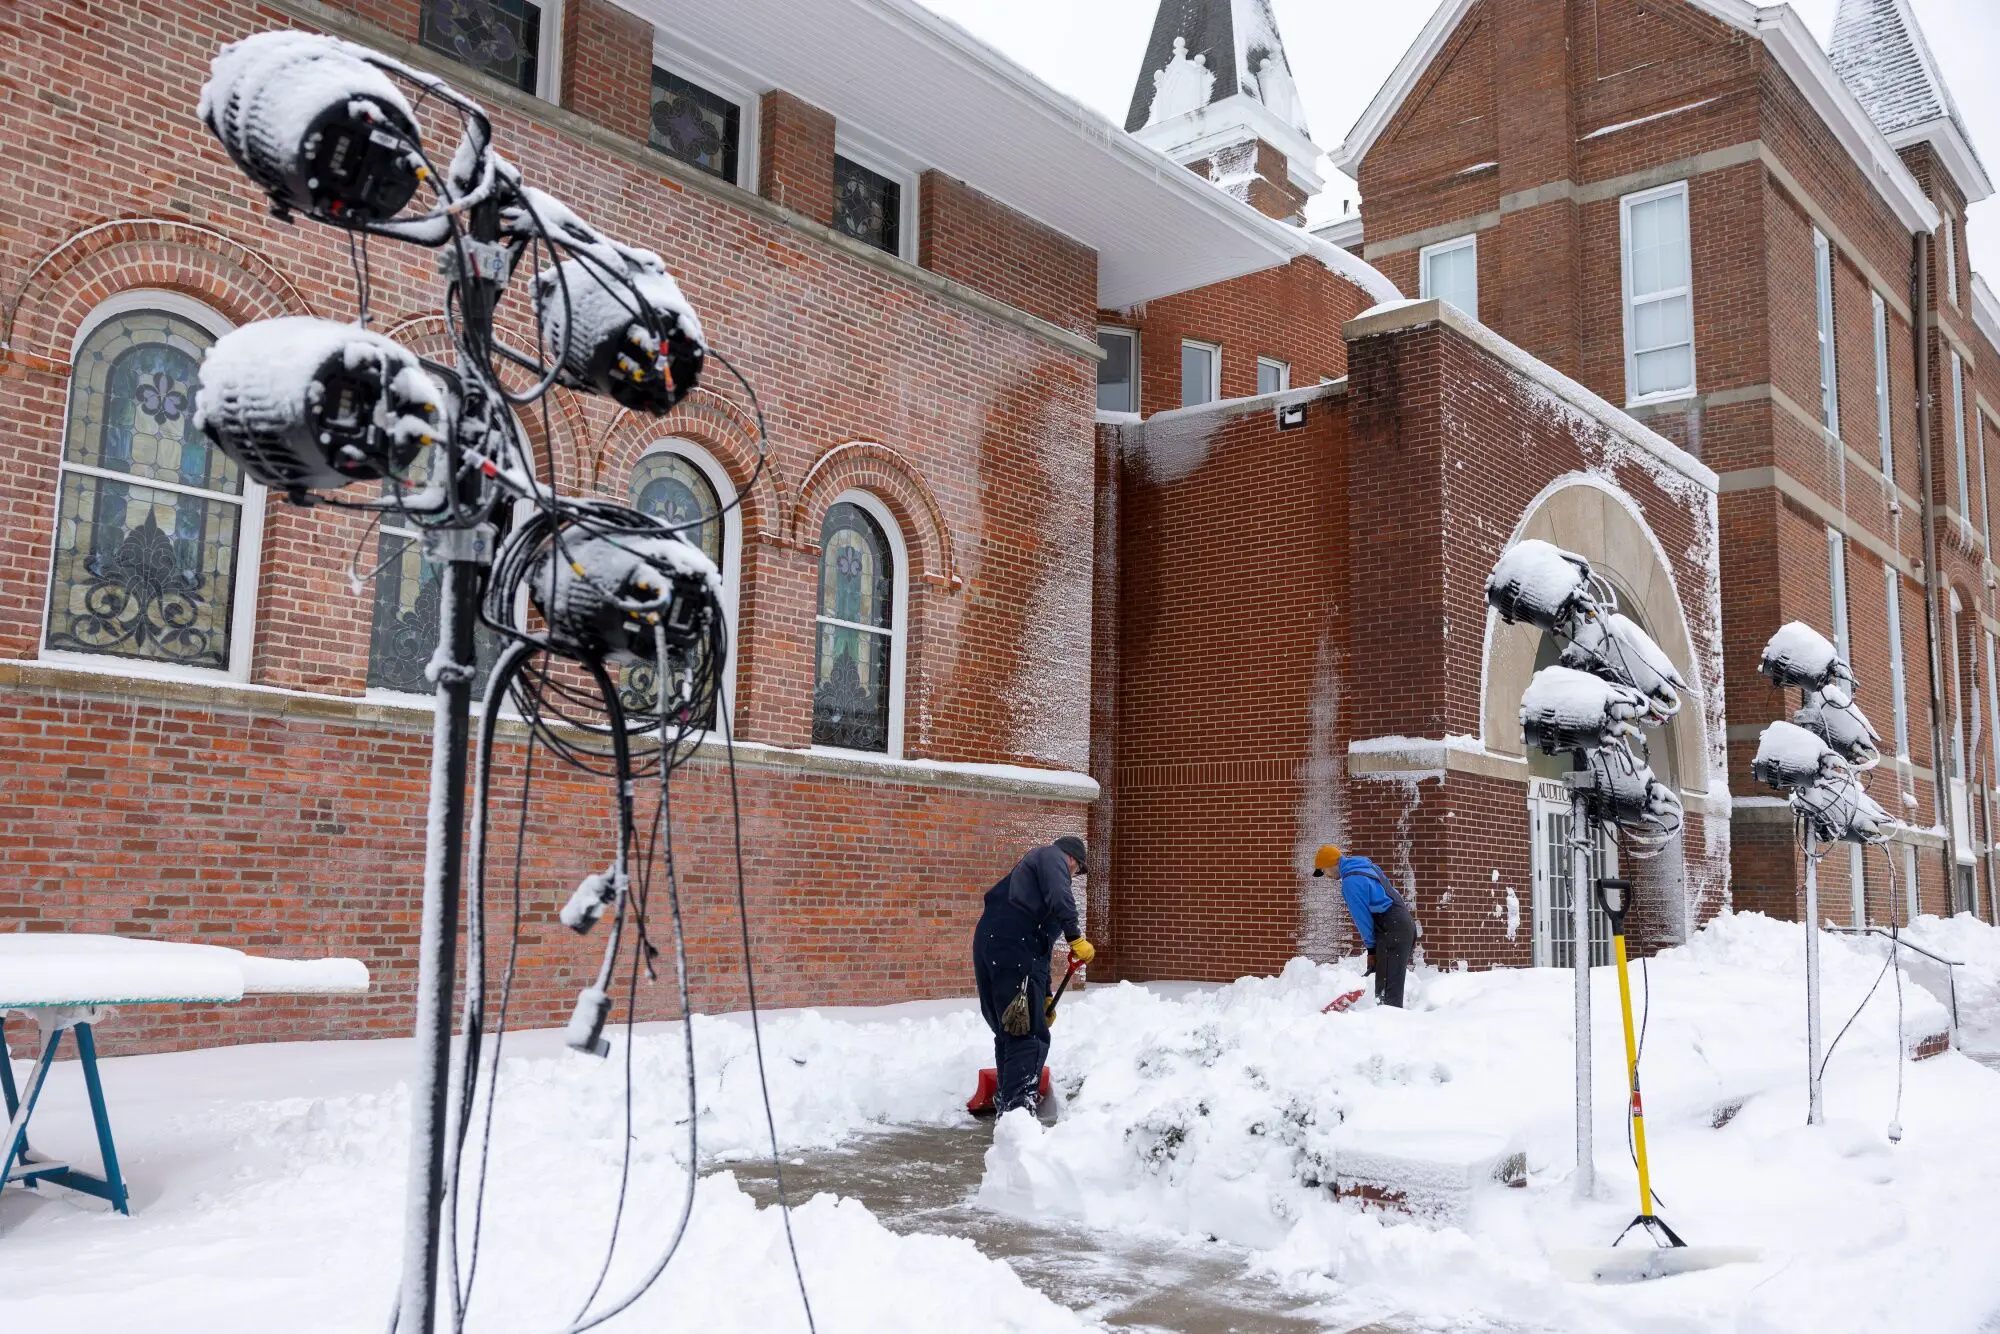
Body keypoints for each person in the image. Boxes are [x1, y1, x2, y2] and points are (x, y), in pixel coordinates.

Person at [972, 836, 1094, 1115]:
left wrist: (1046, 996)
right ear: (1072, 859)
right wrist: (1075, 937)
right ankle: (1018, 1112)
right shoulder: (1051, 856)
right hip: (1014, 947)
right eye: (1076, 871)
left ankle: (1008, 1103)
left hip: (995, 946)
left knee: (1009, 1028)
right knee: (1028, 1035)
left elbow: (1041, 953)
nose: (1072, 877)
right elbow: (1061, 896)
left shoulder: (1031, 889)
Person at [1312, 844, 1417, 1008]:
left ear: (1331, 865)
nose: (1326, 876)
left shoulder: (1350, 882)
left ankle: (1389, 1027)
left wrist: (1372, 949)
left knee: (1388, 995)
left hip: (1391, 928)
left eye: (1324, 871)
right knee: (1388, 984)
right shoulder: (1366, 866)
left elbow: (1362, 919)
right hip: (1403, 923)